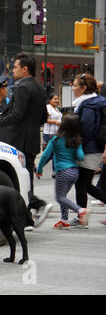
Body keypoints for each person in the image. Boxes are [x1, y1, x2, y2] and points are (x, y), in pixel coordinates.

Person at [0, 53, 52, 230]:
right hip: (32, 140)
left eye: (15, 67)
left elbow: (16, 115)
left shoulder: (21, 88)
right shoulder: (40, 88)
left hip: (17, 140)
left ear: (25, 69)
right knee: (25, 176)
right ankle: (28, 216)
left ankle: (36, 205)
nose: (13, 70)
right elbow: (43, 117)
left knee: (19, 178)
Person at [35, 114, 89, 229]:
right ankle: (64, 220)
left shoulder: (56, 139)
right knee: (63, 196)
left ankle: (80, 210)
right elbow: (80, 157)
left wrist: (39, 169)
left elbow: (45, 155)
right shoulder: (77, 140)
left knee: (60, 198)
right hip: (74, 172)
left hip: (63, 172)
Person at [71, 73, 106, 227]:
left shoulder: (89, 105)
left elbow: (87, 128)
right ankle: (82, 217)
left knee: (82, 184)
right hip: (92, 148)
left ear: (84, 88)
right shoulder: (90, 103)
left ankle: (81, 218)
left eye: (75, 85)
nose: (72, 88)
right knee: (85, 184)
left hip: (89, 149)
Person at [42, 93, 63, 177]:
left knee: (50, 154)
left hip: (56, 133)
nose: (57, 101)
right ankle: (55, 171)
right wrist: (56, 122)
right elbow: (45, 120)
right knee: (55, 152)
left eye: (57, 99)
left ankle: (38, 167)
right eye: (55, 99)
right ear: (50, 100)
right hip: (49, 134)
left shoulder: (56, 109)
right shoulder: (48, 108)